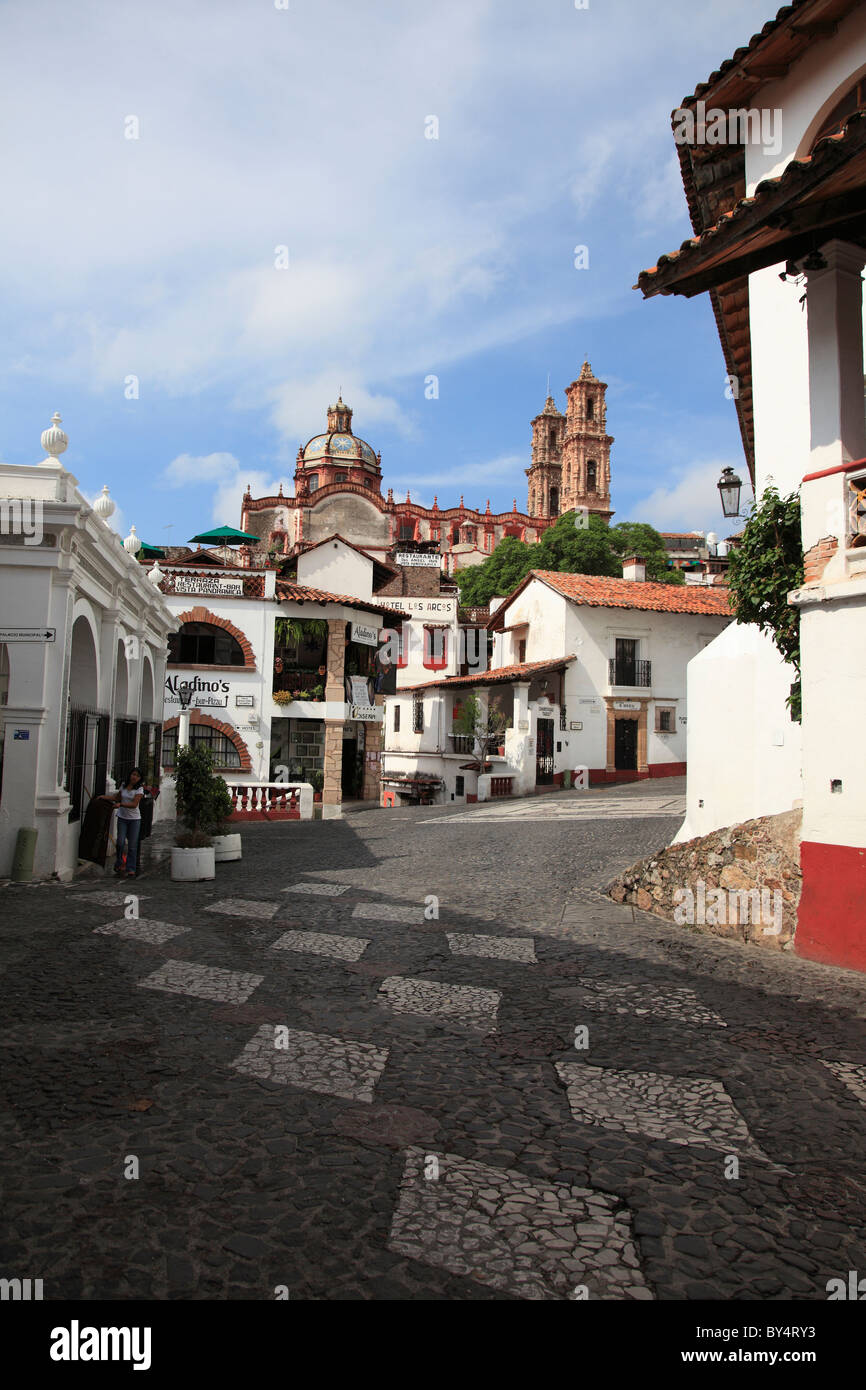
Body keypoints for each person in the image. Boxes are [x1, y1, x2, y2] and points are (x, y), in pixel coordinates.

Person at [102, 768, 145, 878]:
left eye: (137, 775)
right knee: (120, 842)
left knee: (132, 845)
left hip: (134, 819)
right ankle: (119, 862)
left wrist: (121, 805)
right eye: (133, 774)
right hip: (122, 818)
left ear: (140, 778)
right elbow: (117, 797)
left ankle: (131, 868)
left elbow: (134, 804)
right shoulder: (124, 785)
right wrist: (104, 797)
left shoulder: (139, 789)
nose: (134, 777)